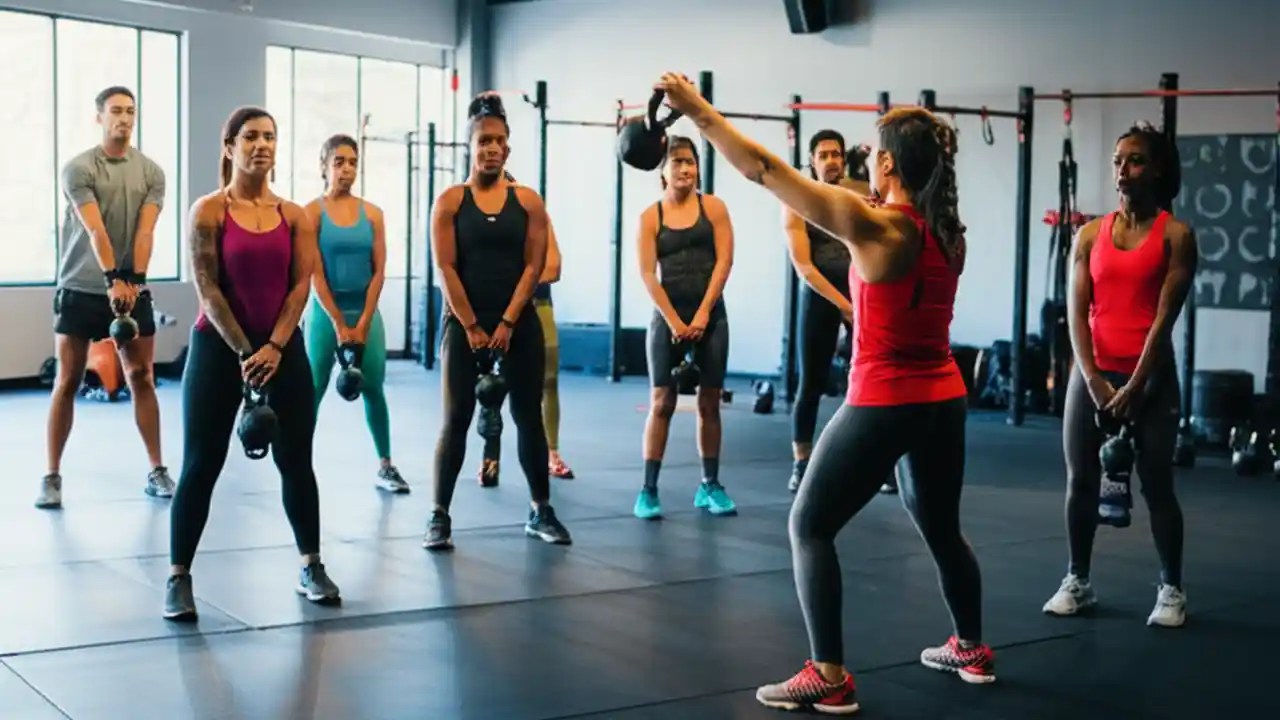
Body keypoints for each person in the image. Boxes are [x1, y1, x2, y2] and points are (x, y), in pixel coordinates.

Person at [654, 72, 994, 713]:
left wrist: (698, 110)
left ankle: (829, 676)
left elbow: (761, 169)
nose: (864, 156)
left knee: (808, 525)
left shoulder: (878, 229)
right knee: (943, 530)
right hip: (943, 397)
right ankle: (970, 647)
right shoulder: (949, 232)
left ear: (886, 163)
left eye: (873, 149)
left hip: (886, 399)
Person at [164, 106, 340, 621]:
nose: (261, 144)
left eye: (269, 136)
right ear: (229, 147)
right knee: (201, 464)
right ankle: (178, 577)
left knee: (297, 463)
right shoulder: (208, 211)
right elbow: (208, 287)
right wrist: (246, 351)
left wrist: (275, 348)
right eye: (250, 137)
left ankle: (311, 565)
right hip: (220, 350)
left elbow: (300, 285)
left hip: (281, 351)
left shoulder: (294, 216)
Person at [1042, 122, 1195, 628]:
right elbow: (1076, 313)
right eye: (1117, 160)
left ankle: (1171, 588)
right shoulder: (1088, 235)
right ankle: (1076, 580)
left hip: (1149, 376)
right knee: (1081, 481)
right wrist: (1093, 382)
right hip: (1092, 375)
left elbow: (1163, 320)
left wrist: (1133, 386)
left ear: (1157, 170)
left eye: (1134, 160)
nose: (1122, 170)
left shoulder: (1177, 236)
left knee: (1156, 483)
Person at [423, 93, 572, 550]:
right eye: (484, 140)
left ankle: (540, 510)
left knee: (528, 417)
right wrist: (472, 328)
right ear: (471, 145)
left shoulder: (528, 200)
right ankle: (439, 516)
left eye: (499, 141)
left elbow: (535, 265)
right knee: (456, 420)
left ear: (508, 149)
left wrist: (508, 322)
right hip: (464, 327)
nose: (492, 148)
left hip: (517, 326)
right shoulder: (450, 201)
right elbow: (445, 268)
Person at [39, 85, 174, 509]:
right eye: (116, 111)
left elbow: (146, 231)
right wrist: (113, 276)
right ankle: (52, 476)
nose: (124, 118)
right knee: (68, 380)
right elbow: (95, 228)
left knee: (141, 377)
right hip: (82, 285)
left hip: (131, 285)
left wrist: (132, 280)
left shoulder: (151, 172)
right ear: (99, 117)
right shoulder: (79, 168)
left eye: (131, 111)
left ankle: (156, 469)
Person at [632, 135, 736, 520]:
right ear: (663, 171)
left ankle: (710, 485)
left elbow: (724, 263)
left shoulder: (715, 209)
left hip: (711, 315)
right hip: (668, 318)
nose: (685, 169)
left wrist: (704, 313)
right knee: (662, 402)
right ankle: (648, 490)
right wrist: (676, 322)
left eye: (690, 162)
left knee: (709, 402)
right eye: (677, 162)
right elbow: (647, 273)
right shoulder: (650, 218)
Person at [303, 134, 408, 494]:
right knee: (312, 389)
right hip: (323, 312)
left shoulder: (374, 214)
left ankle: (386, 465)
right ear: (324, 166)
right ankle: (298, 460)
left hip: (365, 311)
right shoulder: (311, 213)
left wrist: (362, 322)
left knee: (373, 387)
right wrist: (337, 322)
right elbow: (314, 271)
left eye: (352, 162)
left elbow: (379, 270)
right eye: (339, 162)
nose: (346, 169)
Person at [476, 172, 575, 487]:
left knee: (547, 382)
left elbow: (553, 267)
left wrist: (516, 283)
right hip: (494, 314)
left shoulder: (536, 216)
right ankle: (490, 461)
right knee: (491, 388)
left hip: (536, 308)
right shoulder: (483, 225)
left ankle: (552, 453)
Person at [784, 130, 868, 494]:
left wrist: (861, 302)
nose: (831, 160)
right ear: (812, 161)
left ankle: (874, 465)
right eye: (823, 155)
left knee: (870, 384)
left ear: (844, 159)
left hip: (862, 296)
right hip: (821, 296)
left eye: (836, 154)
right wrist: (844, 305)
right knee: (811, 384)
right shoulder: (798, 200)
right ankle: (801, 464)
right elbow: (803, 266)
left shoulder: (863, 195)